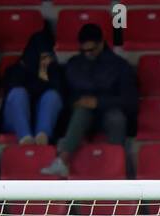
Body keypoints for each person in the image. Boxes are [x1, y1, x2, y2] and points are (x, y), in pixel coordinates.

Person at [40, 24, 136, 179]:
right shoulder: (74, 64)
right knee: (82, 110)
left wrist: (98, 102)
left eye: (91, 50)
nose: (88, 54)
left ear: (101, 43)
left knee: (116, 118)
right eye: (84, 50)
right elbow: (66, 94)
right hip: (79, 116)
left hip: (110, 111)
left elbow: (129, 101)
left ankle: (115, 168)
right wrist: (80, 102)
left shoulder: (120, 66)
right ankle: (62, 161)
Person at [1, 30, 63, 145]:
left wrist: (44, 74)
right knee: (18, 93)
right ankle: (25, 138)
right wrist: (42, 80)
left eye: (48, 55)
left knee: (52, 96)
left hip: (43, 120)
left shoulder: (54, 70)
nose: (46, 60)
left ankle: (42, 136)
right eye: (43, 56)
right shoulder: (14, 70)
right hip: (16, 120)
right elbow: (13, 98)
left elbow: (58, 92)